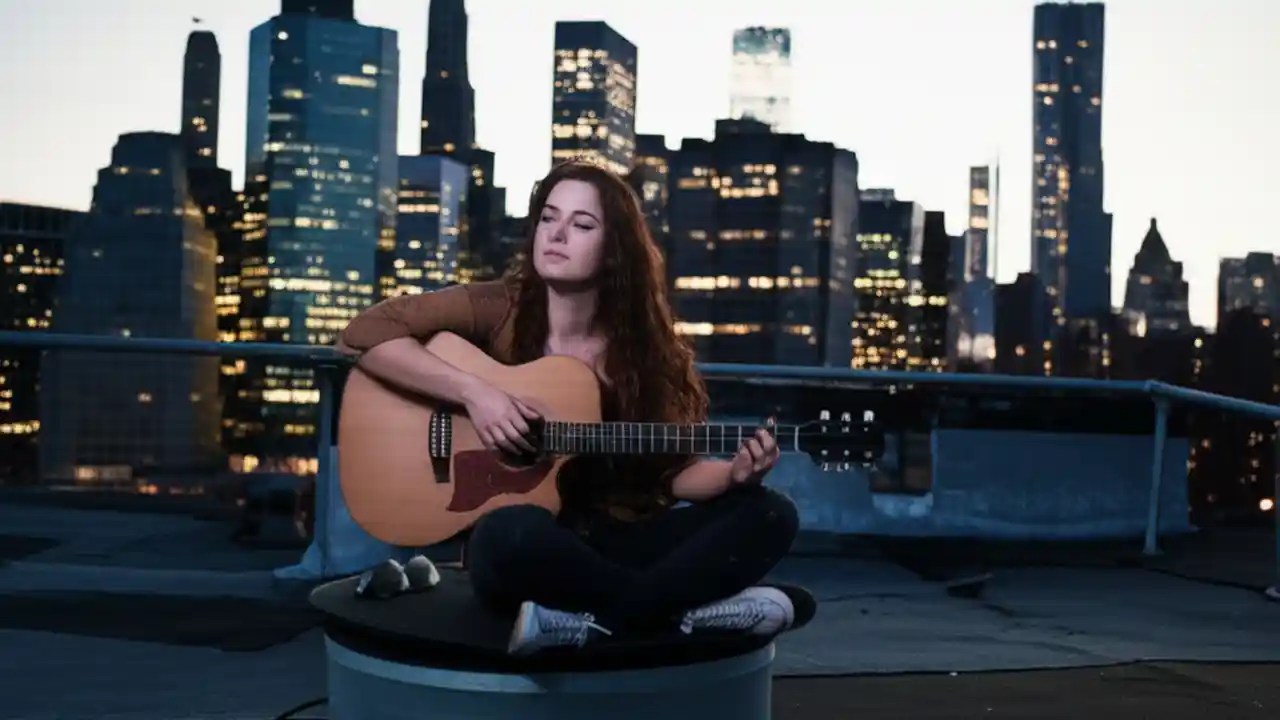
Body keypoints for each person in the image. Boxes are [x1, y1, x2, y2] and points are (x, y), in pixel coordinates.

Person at [336, 159, 808, 656]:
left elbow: (669, 475)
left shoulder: (646, 355)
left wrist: (734, 477)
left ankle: (601, 620)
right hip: (530, 547)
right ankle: (679, 614)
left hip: (617, 540)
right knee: (508, 531)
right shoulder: (500, 308)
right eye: (548, 218)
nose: (556, 234)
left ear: (613, 252)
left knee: (772, 513)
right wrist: (477, 393)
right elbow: (363, 334)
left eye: (581, 225)